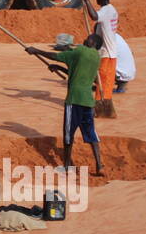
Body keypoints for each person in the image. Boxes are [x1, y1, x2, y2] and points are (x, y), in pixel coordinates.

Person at [25, 33, 106, 176]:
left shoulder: (80, 51)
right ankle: (100, 166)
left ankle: (67, 167)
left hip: (74, 100)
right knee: (91, 134)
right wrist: (59, 68)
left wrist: (36, 51)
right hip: (88, 102)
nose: (85, 38)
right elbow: (77, 73)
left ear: (92, 42)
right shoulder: (96, 58)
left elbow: (56, 56)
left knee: (68, 135)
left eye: (88, 38)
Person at [83, 0, 119, 117]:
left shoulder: (105, 11)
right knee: (107, 82)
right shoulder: (113, 10)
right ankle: (105, 108)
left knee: (102, 82)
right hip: (112, 53)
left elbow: (94, 16)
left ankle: (99, 108)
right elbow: (100, 25)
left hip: (106, 53)